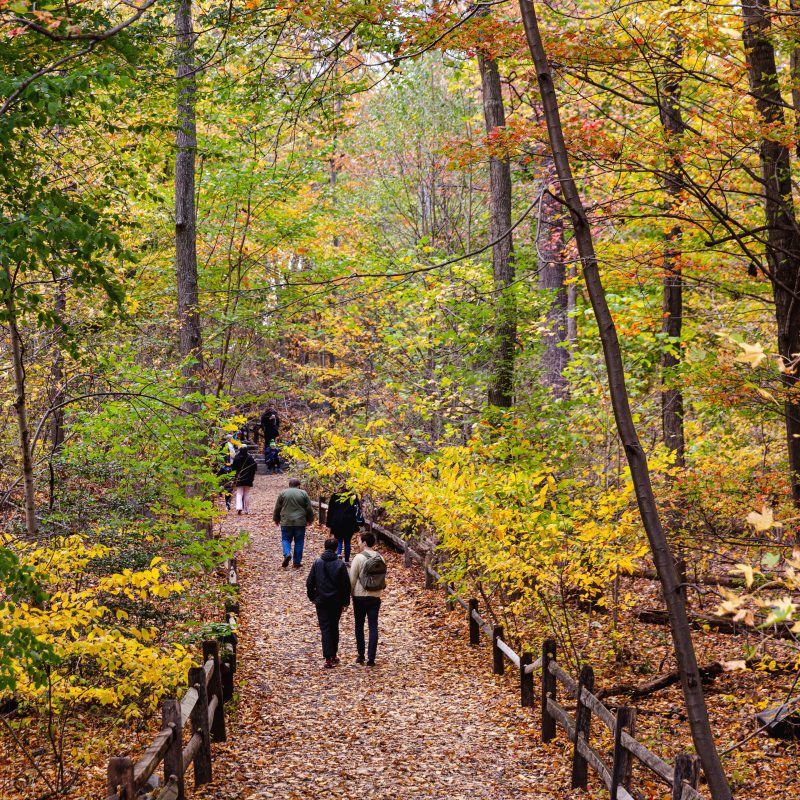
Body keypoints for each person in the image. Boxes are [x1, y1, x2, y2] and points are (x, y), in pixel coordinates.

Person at [306, 538, 351, 668]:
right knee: (334, 626)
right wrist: (345, 602)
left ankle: (328, 657)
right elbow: (345, 585)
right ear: (337, 548)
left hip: (321, 601)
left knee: (325, 628)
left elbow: (310, 582)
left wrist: (312, 597)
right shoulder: (340, 564)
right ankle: (333, 654)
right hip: (336, 601)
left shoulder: (317, 562)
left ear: (325, 547)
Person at [349, 532, 386, 666]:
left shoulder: (359, 558)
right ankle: (371, 657)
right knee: (373, 625)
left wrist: (348, 596)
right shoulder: (380, 558)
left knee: (359, 625)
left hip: (359, 596)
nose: (358, 544)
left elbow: (352, 579)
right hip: (375, 595)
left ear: (364, 543)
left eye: (359, 541)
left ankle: (361, 655)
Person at [273, 477, 315, 568]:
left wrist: (276, 519)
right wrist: (310, 519)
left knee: (285, 539)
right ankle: (296, 562)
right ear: (298, 485)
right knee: (299, 541)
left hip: (286, 521)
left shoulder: (283, 493)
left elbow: (277, 508)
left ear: (289, 485)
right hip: (300, 522)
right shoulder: (303, 493)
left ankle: (287, 554)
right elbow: (308, 508)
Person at [326, 487, 363, 563]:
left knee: (338, 539)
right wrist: (360, 522)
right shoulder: (353, 497)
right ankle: (346, 560)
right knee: (347, 541)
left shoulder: (335, 496)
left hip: (337, 522)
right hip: (350, 522)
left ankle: (339, 554)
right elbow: (357, 510)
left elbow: (330, 511)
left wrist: (329, 523)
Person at [231, 446, 257, 515]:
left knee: (239, 493)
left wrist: (234, 477)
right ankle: (247, 509)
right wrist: (252, 477)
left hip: (239, 477)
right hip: (248, 478)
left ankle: (239, 507)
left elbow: (233, 468)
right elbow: (254, 468)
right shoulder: (250, 458)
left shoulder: (236, 458)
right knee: (246, 494)